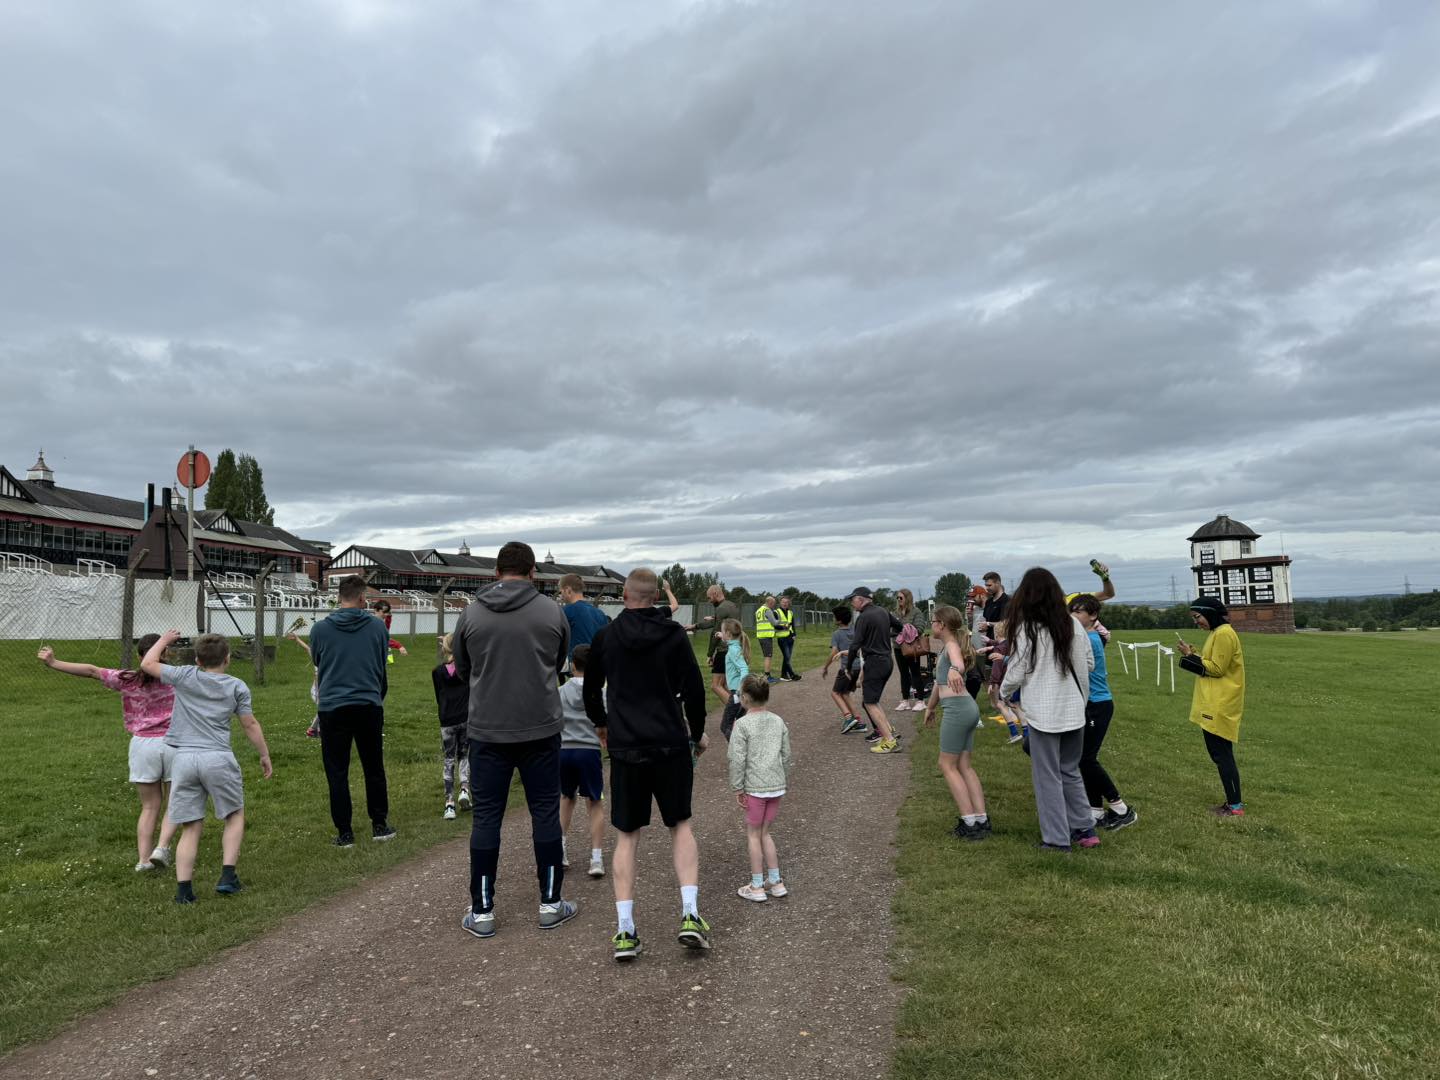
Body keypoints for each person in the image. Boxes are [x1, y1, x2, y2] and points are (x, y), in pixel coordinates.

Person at [583, 567, 710, 962]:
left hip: (626, 748)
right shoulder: (673, 634)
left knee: (627, 835)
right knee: (681, 825)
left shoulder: (607, 636)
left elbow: (591, 688)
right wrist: (697, 732)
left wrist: (602, 726)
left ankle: (625, 929)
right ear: (656, 597)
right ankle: (689, 914)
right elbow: (693, 687)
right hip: (670, 742)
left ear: (624, 595)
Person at [453, 541, 576, 938]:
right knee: (544, 811)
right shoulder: (551, 611)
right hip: (540, 725)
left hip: (488, 728)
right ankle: (551, 903)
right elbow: (558, 660)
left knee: (488, 816)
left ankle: (483, 909)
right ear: (533, 572)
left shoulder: (471, 614)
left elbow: (463, 667)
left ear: (495, 573)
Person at [141, 631, 271, 903]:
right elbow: (249, 724)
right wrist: (264, 754)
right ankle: (227, 877)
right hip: (218, 758)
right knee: (234, 814)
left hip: (184, 760)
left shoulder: (186, 676)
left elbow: (148, 664)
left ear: (198, 660)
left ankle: (184, 891)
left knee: (190, 824)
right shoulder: (237, 686)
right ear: (227, 659)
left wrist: (164, 641)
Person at [37, 636, 181, 871]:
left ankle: (144, 861)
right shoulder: (179, 678)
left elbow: (92, 671)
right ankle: (162, 848)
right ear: (169, 654)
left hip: (143, 745)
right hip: (175, 745)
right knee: (173, 802)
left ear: (139, 657)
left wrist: (54, 663)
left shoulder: (128, 679)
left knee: (149, 806)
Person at [999, 568, 1095, 852]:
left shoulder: (1028, 628)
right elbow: (1088, 663)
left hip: (1044, 713)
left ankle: (1056, 839)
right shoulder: (1074, 625)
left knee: (1047, 778)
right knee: (1070, 771)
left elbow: (1017, 669)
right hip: (1075, 709)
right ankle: (1084, 829)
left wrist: (1004, 692)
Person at [309, 575, 395, 847]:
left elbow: (317, 661)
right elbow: (381, 664)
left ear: (338, 598)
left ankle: (344, 832)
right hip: (368, 703)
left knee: (337, 770)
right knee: (373, 766)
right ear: (362, 598)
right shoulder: (378, 628)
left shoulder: (320, 630)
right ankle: (379, 825)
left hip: (333, 706)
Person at [1068, 594, 1136, 830]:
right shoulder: (1084, 636)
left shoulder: (1090, 639)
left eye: (1078, 612)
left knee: (1086, 759)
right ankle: (1095, 811)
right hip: (1089, 704)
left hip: (1097, 705)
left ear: (1093, 616)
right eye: (1071, 612)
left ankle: (1121, 808)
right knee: (1083, 759)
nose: (1073, 616)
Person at [921, 606, 989, 840]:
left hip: (958, 712)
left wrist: (953, 669)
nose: (932, 624)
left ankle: (969, 823)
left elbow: (958, 664)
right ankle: (981, 819)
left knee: (946, 765)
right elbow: (940, 686)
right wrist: (930, 708)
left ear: (943, 625)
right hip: (967, 709)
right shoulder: (947, 646)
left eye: (933, 621)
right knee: (963, 766)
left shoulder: (951, 646)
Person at [1177, 596, 1246, 817]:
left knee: (1222, 755)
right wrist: (1194, 655)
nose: (1197, 622)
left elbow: (1216, 669)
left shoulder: (1224, 633)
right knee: (1219, 754)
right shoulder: (1216, 634)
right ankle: (1232, 803)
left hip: (1220, 703)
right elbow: (1211, 662)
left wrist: (1189, 656)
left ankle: (1235, 806)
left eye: (1198, 617)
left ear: (1210, 613)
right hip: (1213, 702)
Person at [727, 675, 794, 902]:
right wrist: (782, 777)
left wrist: (738, 787)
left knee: (754, 835)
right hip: (776, 786)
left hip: (755, 788)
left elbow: (737, 759)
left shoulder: (742, 725)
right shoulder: (778, 721)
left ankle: (756, 885)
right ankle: (775, 881)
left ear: (744, 698)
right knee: (766, 833)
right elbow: (786, 754)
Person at [558, 644, 606, 878]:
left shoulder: (560, 691)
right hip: (589, 750)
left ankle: (560, 849)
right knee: (594, 802)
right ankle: (596, 858)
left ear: (572, 665)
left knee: (566, 798)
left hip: (564, 750)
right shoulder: (599, 692)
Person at [846, 587, 903, 754]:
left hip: (874, 662)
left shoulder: (863, 618)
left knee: (869, 702)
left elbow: (855, 645)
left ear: (862, 599)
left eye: (853, 599)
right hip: (887, 660)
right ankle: (888, 732)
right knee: (873, 700)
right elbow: (900, 627)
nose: (851, 602)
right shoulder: (883, 611)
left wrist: (848, 667)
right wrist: (885, 635)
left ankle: (890, 742)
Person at [432, 634, 471, 820]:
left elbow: (438, 696)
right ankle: (464, 789)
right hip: (465, 717)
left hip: (447, 719)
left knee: (448, 759)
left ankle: (449, 804)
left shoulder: (437, 672)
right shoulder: (467, 670)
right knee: (464, 755)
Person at [692, 585, 740, 707]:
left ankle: (735, 711)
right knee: (723, 685)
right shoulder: (731, 605)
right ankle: (740, 708)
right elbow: (716, 622)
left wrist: (709, 654)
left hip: (724, 650)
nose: (709, 601)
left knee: (716, 685)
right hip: (735, 647)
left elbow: (715, 632)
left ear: (715, 593)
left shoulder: (721, 608)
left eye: (709, 598)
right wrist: (696, 626)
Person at [820, 604, 865, 734]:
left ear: (838, 620)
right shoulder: (855, 631)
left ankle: (848, 718)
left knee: (835, 693)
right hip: (859, 667)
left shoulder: (837, 634)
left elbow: (834, 652)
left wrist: (825, 667)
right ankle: (858, 721)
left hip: (848, 668)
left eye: (835, 617)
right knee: (845, 693)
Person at [559, 573, 610, 666]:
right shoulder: (600, 613)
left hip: (578, 665)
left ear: (568, 590)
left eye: (561, 592)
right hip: (598, 665)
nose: (561, 596)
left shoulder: (566, 611)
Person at [891, 588, 930, 711]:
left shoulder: (916, 612)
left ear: (907, 598)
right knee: (903, 674)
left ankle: (920, 701)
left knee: (915, 673)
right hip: (898, 648)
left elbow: (919, 628)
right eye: (897, 598)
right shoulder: (895, 613)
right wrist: (901, 631)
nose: (898, 600)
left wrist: (904, 631)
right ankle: (905, 700)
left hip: (912, 648)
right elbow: (890, 629)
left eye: (901, 598)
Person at [285, 633, 322, 738]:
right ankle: (313, 729)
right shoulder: (319, 659)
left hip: (324, 690)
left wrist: (297, 639)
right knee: (323, 708)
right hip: (318, 690)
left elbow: (307, 648)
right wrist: (319, 692)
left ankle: (317, 729)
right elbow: (317, 677)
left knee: (324, 708)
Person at [718, 618, 750, 741]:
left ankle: (738, 752)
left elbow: (744, 668)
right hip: (740, 693)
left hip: (737, 694)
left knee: (725, 726)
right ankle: (746, 749)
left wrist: (740, 689)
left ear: (729, 634)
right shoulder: (735, 645)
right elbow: (730, 641)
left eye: (722, 631)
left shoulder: (733, 650)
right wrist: (722, 636)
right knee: (740, 723)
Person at [369, 599, 409, 664]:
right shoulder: (371, 624)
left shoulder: (379, 623)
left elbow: (385, 632)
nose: (386, 614)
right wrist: (399, 646)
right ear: (376, 610)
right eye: (384, 612)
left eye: (387, 612)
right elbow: (383, 639)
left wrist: (389, 618)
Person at [754, 595, 783, 684]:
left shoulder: (758, 610)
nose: (773, 606)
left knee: (766, 655)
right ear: (770, 603)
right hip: (766, 636)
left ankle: (767, 675)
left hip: (760, 635)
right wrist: (779, 617)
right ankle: (767, 676)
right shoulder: (767, 610)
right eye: (773, 604)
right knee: (768, 656)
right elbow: (774, 622)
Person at [775, 596, 801, 682]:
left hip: (790, 637)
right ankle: (792, 675)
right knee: (787, 657)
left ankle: (783, 675)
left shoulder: (790, 612)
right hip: (782, 638)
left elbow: (792, 624)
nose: (785, 603)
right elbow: (774, 625)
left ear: (788, 603)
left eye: (787, 602)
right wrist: (783, 627)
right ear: (780, 602)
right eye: (783, 602)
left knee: (787, 658)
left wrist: (794, 634)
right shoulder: (776, 612)